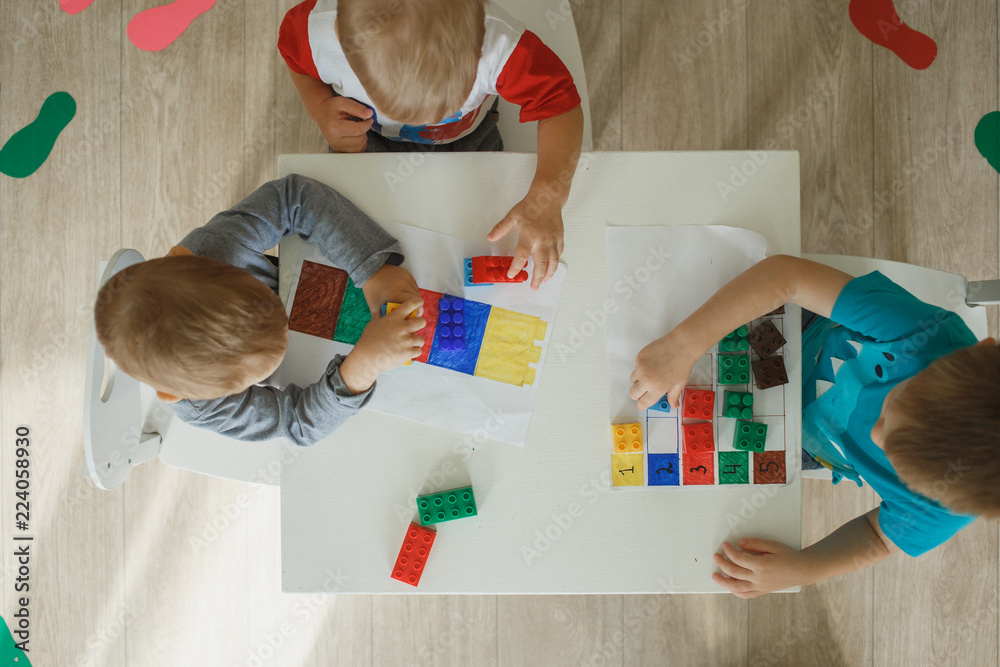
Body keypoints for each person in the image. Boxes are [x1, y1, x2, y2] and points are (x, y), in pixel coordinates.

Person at [629, 254, 1000, 597]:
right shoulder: (926, 335)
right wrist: (684, 345)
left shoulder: (941, 506)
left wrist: (804, 569)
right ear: (979, 350)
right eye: (891, 407)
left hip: (813, 445)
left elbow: (879, 539)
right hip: (801, 333)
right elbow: (786, 277)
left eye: (894, 454)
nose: (875, 433)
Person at [94, 174, 426, 446]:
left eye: (268, 307)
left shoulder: (217, 247)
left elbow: (295, 198)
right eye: (249, 373)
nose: (286, 330)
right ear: (174, 394)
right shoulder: (199, 405)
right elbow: (296, 424)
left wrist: (372, 268)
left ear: (187, 257)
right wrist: (362, 368)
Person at [277, 0, 584, 290]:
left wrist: (547, 196)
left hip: (469, 137)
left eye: (448, 103)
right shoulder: (317, 32)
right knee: (350, 227)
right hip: (366, 135)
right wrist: (320, 108)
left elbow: (559, 104)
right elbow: (295, 62)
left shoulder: (499, 46)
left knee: (482, 226)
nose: (426, 122)